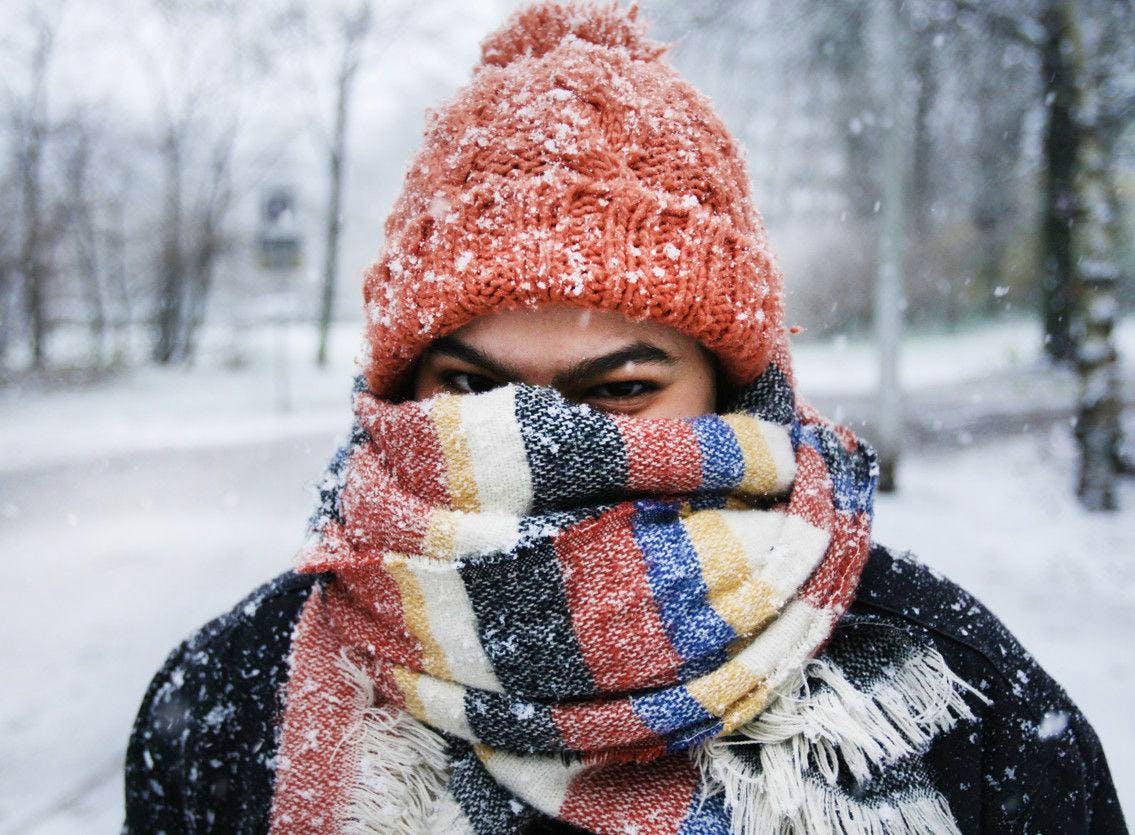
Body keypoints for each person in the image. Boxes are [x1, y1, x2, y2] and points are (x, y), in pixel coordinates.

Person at [123, 2, 1126, 833]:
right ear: (401, 390)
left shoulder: (949, 698)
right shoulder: (231, 702)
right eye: (471, 386)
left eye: (618, 390)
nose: (536, 441)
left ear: (730, 390)